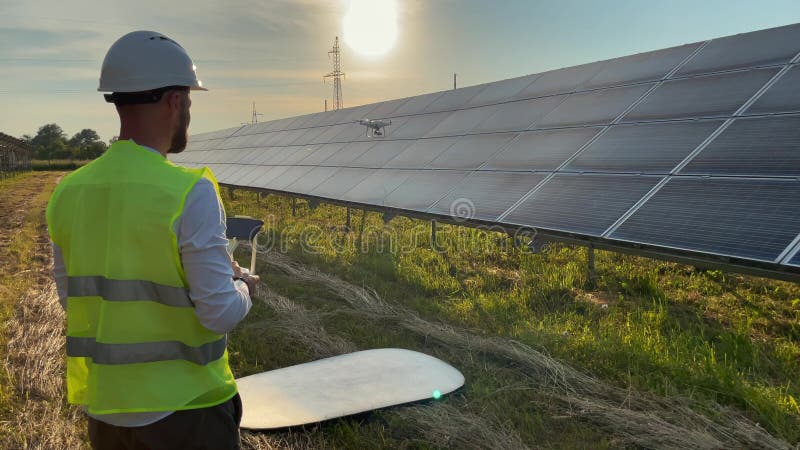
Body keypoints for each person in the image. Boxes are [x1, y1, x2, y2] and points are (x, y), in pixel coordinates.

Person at [46, 30, 258, 450]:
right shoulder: (189, 193)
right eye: (190, 102)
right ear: (174, 101)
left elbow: (73, 296)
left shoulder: (68, 192)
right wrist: (244, 287)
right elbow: (218, 313)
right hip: (188, 413)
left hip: (107, 415)